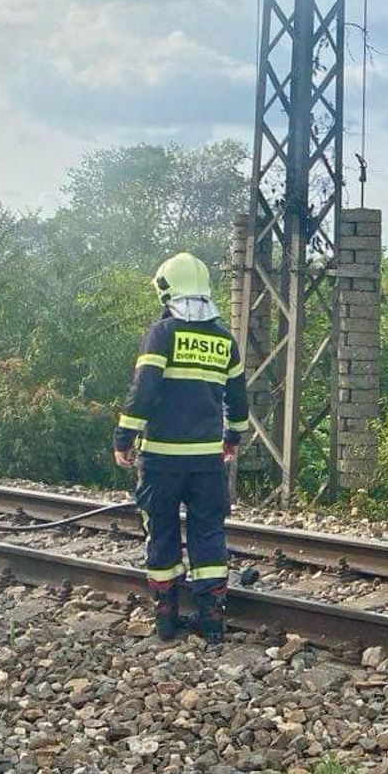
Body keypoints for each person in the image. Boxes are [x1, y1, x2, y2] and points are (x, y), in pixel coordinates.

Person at [113, 252, 249, 643]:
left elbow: (143, 391)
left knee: (161, 531)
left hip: (161, 460)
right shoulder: (224, 340)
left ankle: (166, 618)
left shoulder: (161, 334)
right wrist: (232, 438)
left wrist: (123, 438)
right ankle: (211, 620)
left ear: (166, 290)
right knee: (208, 532)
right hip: (207, 460)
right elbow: (238, 401)